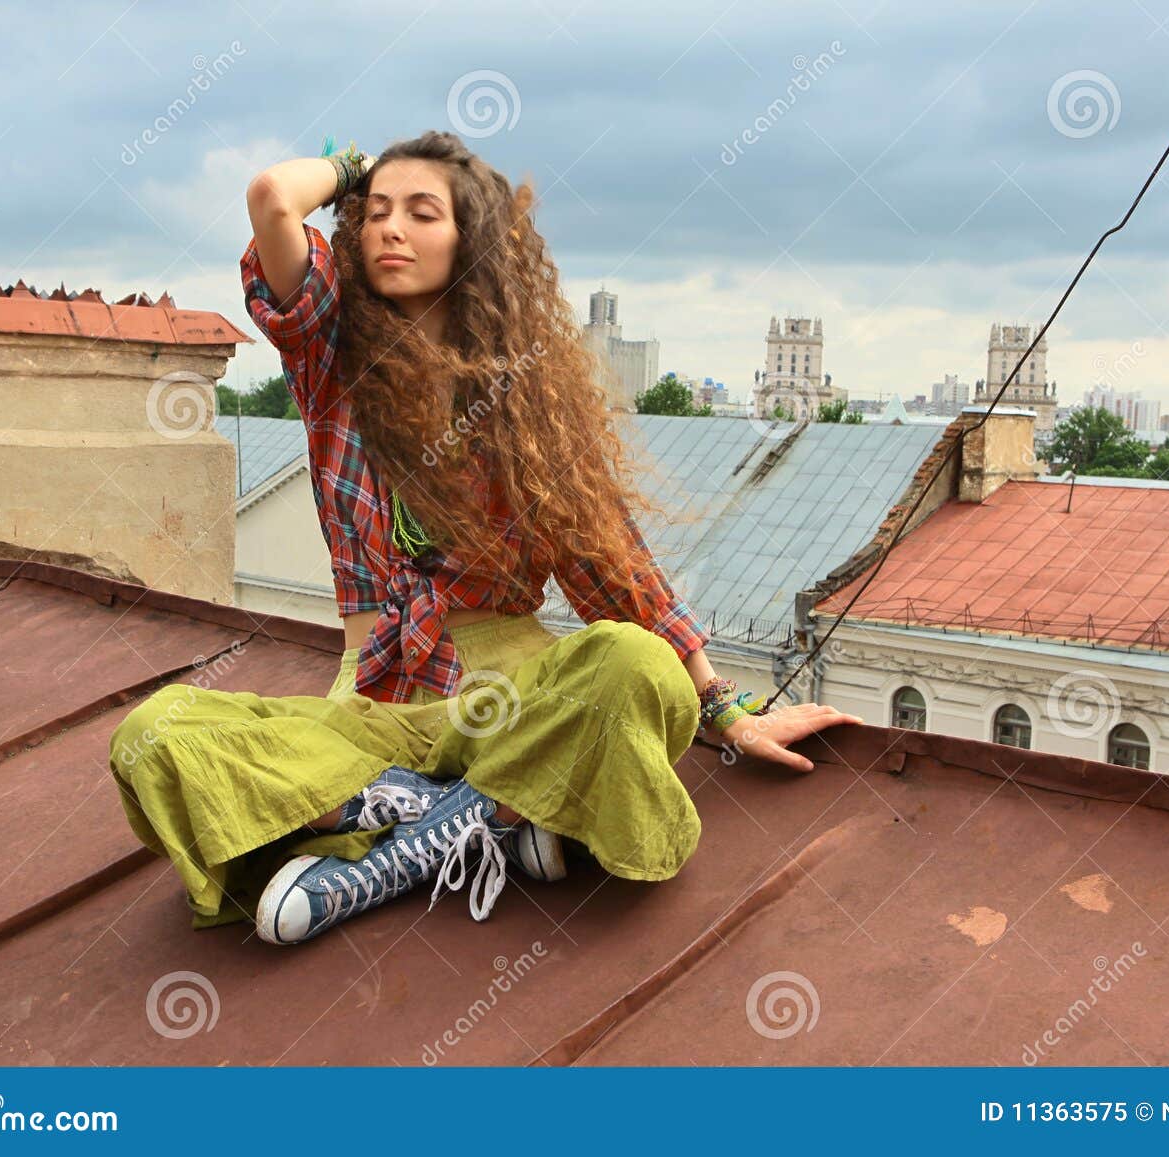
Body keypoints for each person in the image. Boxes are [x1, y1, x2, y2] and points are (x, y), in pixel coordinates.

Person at [106, 130, 863, 947]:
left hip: (516, 697)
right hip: (375, 704)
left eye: (423, 212)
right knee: (154, 736)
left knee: (637, 668)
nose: (391, 229)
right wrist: (357, 166)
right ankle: (477, 814)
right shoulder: (331, 360)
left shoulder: (524, 401)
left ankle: (399, 846)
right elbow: (272, 199)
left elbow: (613, 566)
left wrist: (723, 708)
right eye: (377, 213)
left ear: (471, 239)